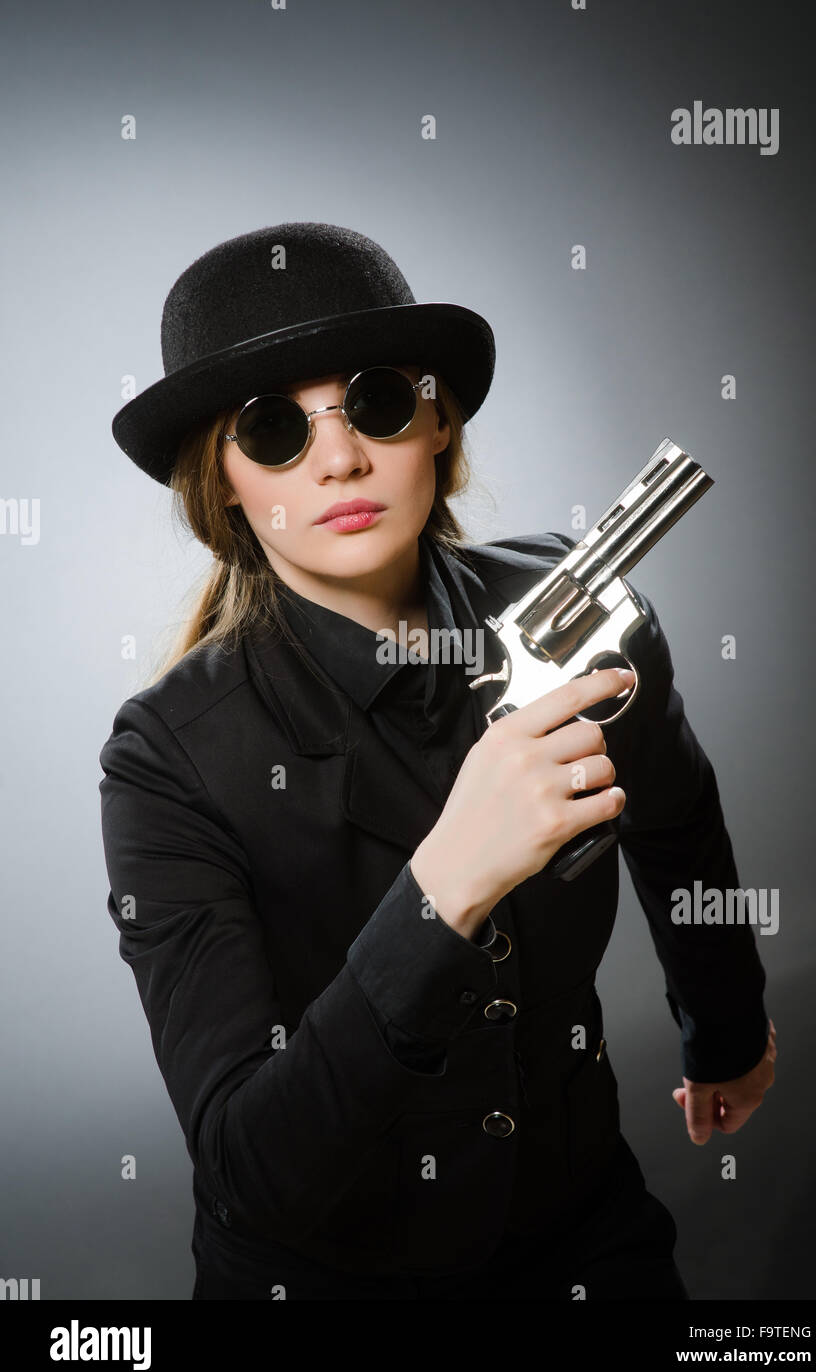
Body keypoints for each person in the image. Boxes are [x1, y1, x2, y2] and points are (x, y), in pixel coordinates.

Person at [99, 221, 776, 1301]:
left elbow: (679, 818)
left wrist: (728, 1035)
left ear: (436, 419)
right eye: (274, 429)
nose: (340, 457)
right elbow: (248, 1168)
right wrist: (446, 884)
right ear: (220, 481)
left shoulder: (574, 606)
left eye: (375, 401)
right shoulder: (165, 758)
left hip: (580, 1238)